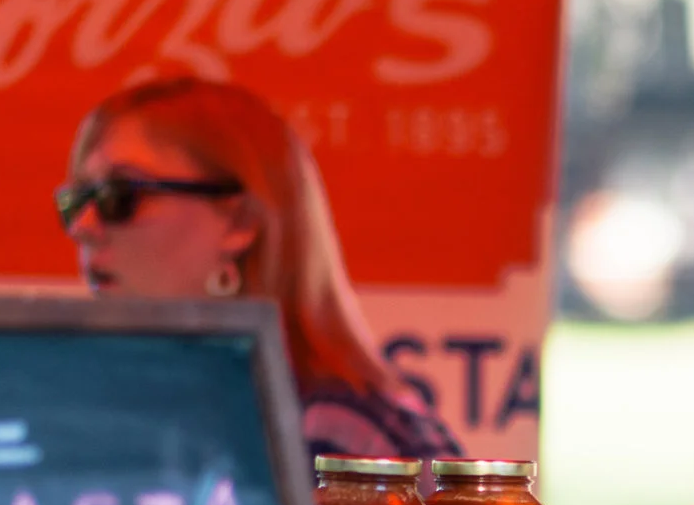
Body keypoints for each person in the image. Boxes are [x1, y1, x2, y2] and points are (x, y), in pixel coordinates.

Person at [59, 77, 460, 459]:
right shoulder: (142, 421)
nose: (82, 227)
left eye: (119, 196)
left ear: (240, 223)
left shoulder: (339, 434)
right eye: (77, 201)